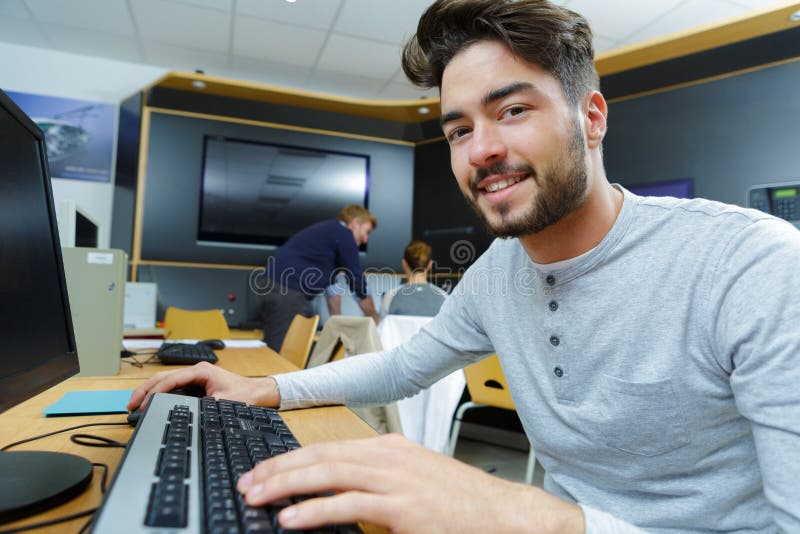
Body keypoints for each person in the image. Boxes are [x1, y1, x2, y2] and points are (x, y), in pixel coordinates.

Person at [129, 0, 800, 531]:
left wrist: (528, 515)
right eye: (458, 130)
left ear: (591, 118)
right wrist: (265, 390)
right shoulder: (497, 273)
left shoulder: (750, 265)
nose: (481, 150)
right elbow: (400, 367)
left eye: (513, 110)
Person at [258, 204, 380, 349]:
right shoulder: (344, 234)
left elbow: (332, 289)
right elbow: (357, 281)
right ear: (355, 223)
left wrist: (338, 327)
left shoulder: (329, 236)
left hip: (276, 287)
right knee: (283, 351)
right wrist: (376, 320)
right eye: (367, 232)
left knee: (283, 345)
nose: (365, 240)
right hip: (287, 291)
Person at [379, 240, 448, 318]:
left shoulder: (391, 297)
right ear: (430, 264)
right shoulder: (444, 298)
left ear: (404, 263)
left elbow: (384, 324)